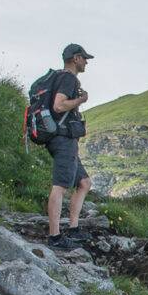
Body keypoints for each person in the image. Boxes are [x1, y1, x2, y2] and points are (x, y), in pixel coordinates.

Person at [43, 42, 94, 249]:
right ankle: (55, 237)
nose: (86, 63)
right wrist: (81, 100)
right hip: (63, 139)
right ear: (75, 58)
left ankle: (73, 229)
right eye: (84, 58)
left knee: (84, 183)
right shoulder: (68, 78)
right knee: (61, 186)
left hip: (64, 139)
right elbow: (59, 104)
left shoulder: (58, 77)